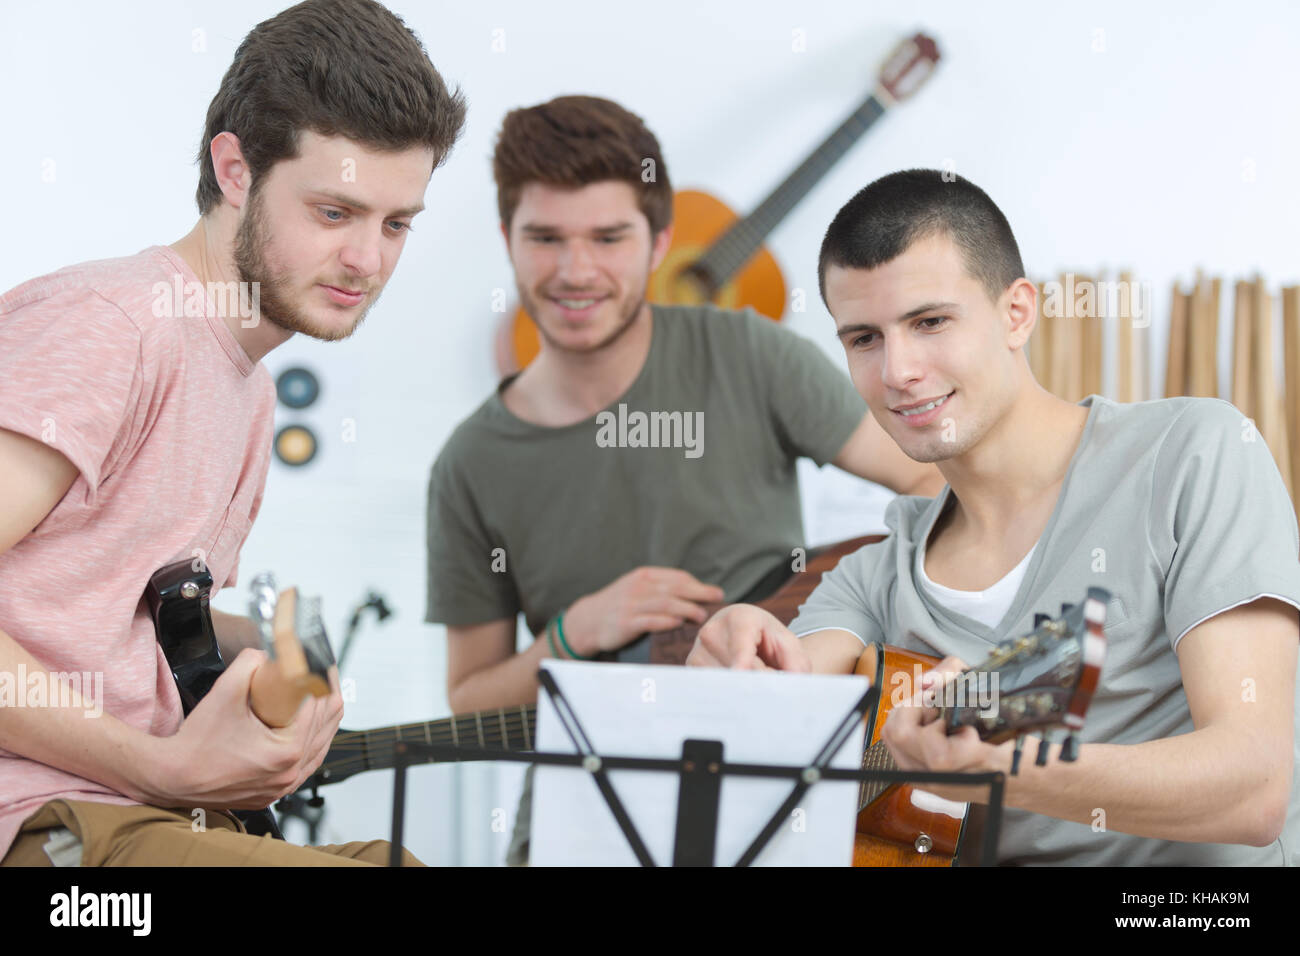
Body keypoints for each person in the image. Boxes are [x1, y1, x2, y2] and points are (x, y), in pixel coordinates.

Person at [687, 169, 1300, 865]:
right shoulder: (874, 575)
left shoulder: (1193, 454)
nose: (898, 370)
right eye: (863, 338)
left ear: (1017, 313)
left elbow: (1253, 791)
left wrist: (1003, 772)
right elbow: (782, 707)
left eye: (929, 322)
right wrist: (743, 651)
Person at [0, 0, 465, 866]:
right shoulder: (113, 329)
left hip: (146, 817)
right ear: (236, 169)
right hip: (46, 828)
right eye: (336, 213)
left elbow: (113, 613)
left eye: (396, 223)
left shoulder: (245, 387)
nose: (370, 260)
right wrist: (164, 767)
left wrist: (273, 659)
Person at [425, 96, 944, 863]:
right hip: (587, 808)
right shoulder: (470, 464)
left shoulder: (750, 355)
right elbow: (468, 700)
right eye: (545, 238)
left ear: (660, 240)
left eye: (608, 237)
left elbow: (938, 487)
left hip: (775, 789)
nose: (576, 271)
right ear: (508, 239)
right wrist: (574, 632)